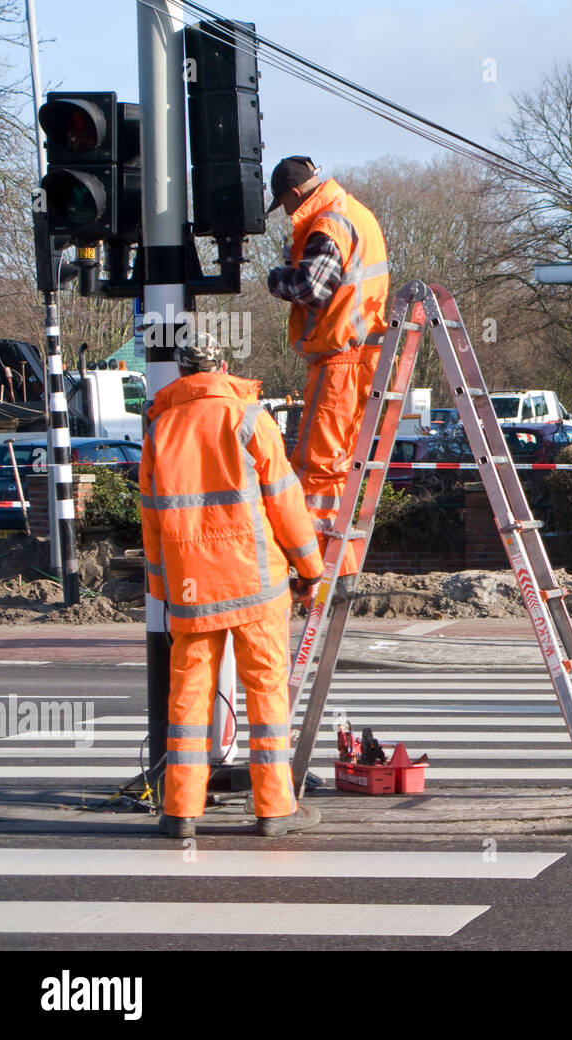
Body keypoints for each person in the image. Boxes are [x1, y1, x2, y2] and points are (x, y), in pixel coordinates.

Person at [141, 330, 325, 837]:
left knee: (188, 697)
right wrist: (310, 568)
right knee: (267, 696)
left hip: (192, 588)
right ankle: (273, 810)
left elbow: (154, 516)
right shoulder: (249, 418)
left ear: (181, 372)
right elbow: (284, 501)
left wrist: (164, 589)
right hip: (255, 582)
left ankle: (181, 811)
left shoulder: (160, 428)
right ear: (222, 366)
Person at [265, 156, 390, 578]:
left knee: (317, 468)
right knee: (338, 466)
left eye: (282, 202)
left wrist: (275, 278)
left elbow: (312, 287)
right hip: (361, 355)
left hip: (340, 360)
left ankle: (316, 571)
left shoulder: (327, 223)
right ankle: (339, 568)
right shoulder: (357, 214)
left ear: (294, 194)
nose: (284, 211)